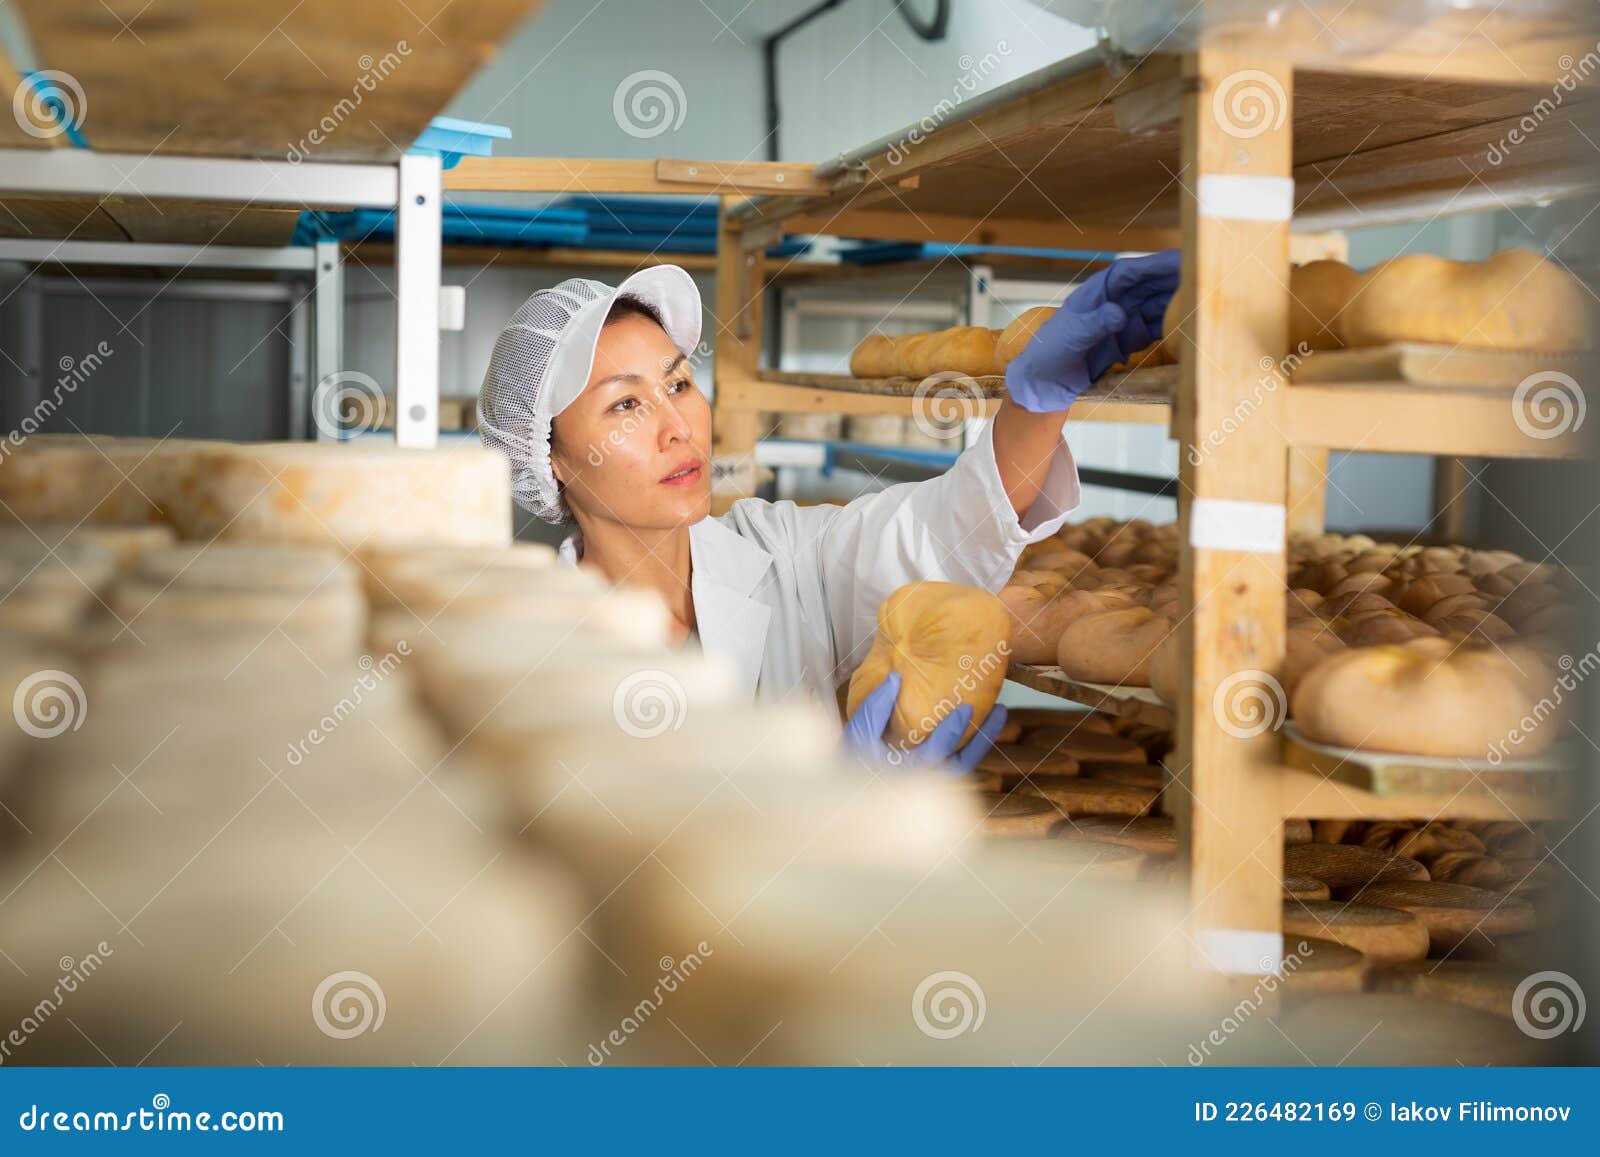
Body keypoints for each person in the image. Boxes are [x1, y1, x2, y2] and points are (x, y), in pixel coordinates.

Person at [478, 252, 1179, 770]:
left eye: (680, 383)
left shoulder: (778, 551)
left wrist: (1039, 400)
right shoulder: (536, 654)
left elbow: (940, 530)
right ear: (552, 459)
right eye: (626, 403)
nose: (679, 426)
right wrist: (838, 814)